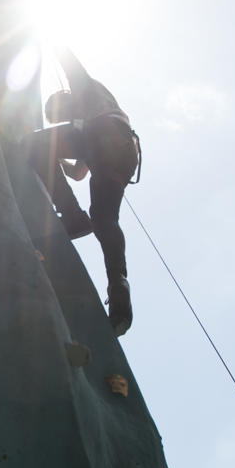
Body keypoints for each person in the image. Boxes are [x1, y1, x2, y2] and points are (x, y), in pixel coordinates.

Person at [29, 44, 141, 335]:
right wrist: (59, 159)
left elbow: (70, 64)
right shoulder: (91, 115)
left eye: (57, 113)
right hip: (122, 154)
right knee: (106, 221)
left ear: (64, 99)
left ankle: (73, 217)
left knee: (32, 146)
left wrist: (53, 43)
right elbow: (79, 172)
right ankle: (119, 292)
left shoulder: (84, 91)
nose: (60, 120)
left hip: (104, 135)